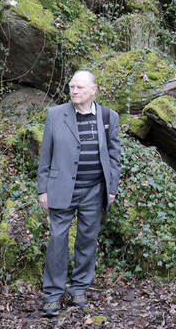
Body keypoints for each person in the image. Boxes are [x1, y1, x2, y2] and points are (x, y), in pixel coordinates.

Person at [38, 70, 121, 315]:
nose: (74, 91)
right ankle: (52, 294)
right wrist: (43, 189)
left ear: (93, 90)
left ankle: (78, 288)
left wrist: (112, 188)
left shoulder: (108, 116)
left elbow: (114, 157)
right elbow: (46, 155)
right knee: (57, 241)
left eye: (79, 87)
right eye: (72, 87)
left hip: (94, 190)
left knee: (87, 241)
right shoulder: (55, 115)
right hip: (61, 188)